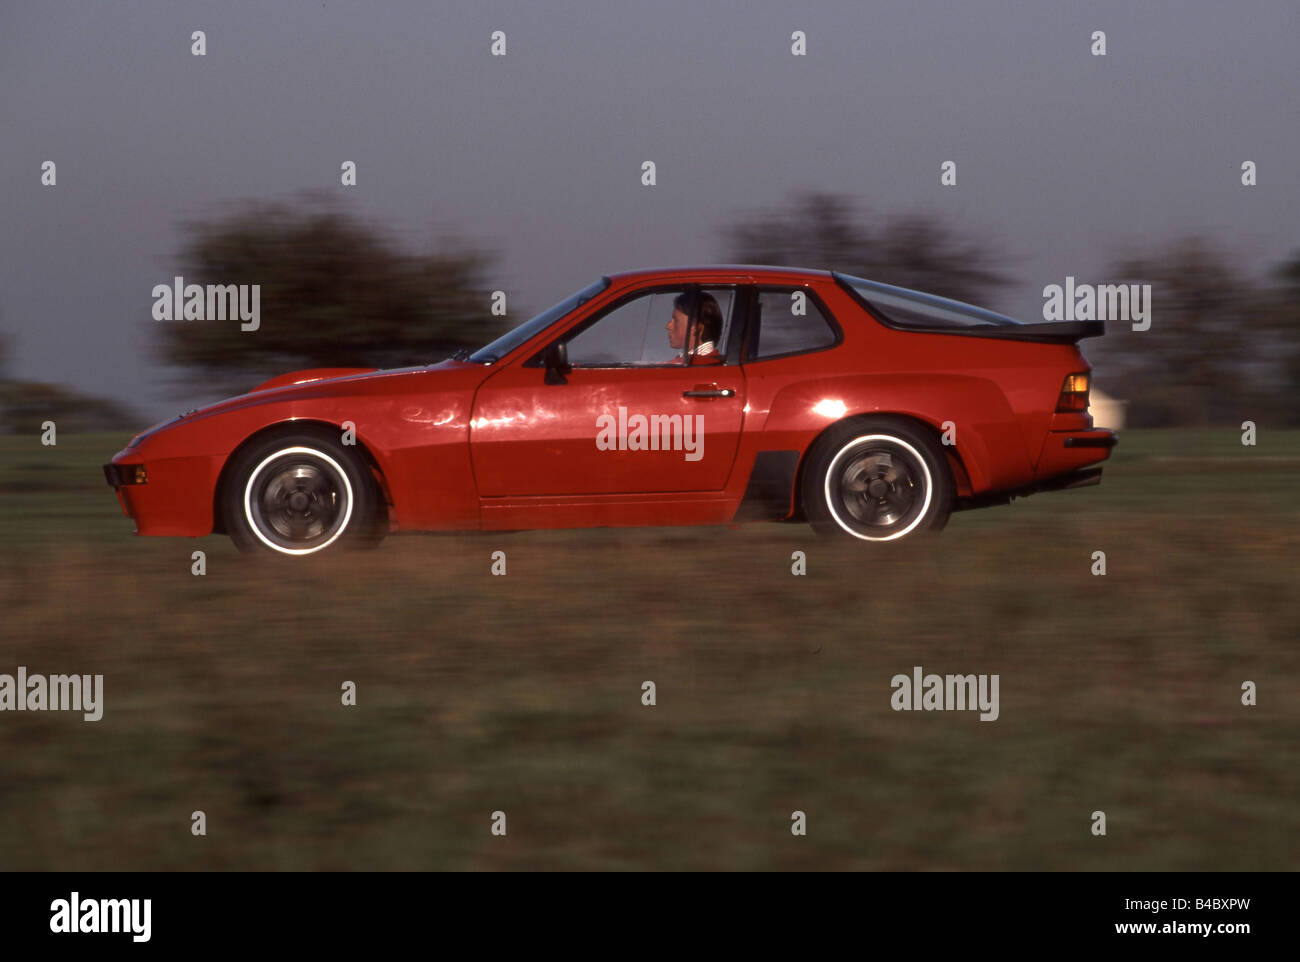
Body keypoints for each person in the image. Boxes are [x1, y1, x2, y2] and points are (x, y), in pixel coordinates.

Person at [665, 291, 724, 365]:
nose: (668, 326)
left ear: (696, 327)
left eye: (676, 320)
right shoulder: (717, 365)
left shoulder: (692, 366)